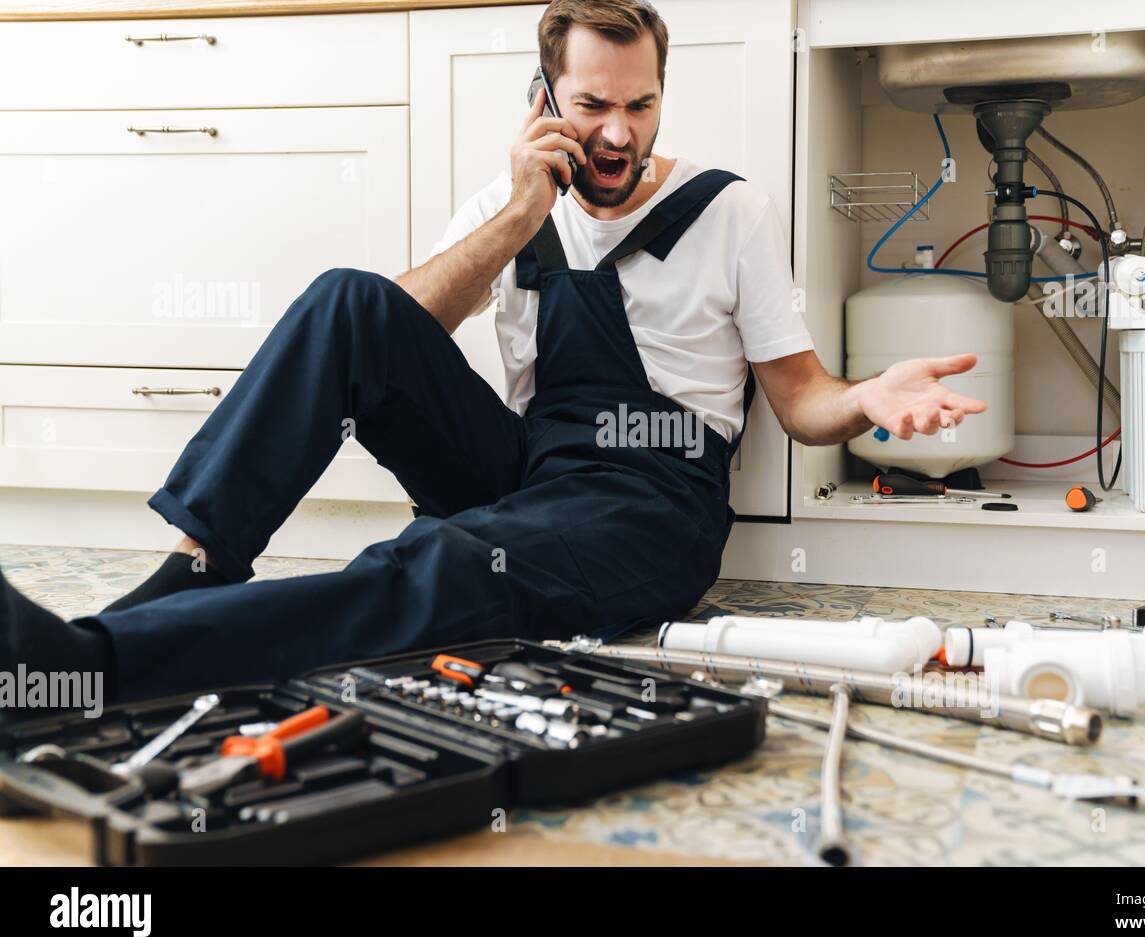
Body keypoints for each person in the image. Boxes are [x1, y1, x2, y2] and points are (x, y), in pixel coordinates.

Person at [0, 0, 984, 710]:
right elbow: (392, 327)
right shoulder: (513, 207)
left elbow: (804, 400)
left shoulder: (731, 210)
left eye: (640, 107)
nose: (616, 133)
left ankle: (91, 667)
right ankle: (198, 566)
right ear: (544, 94)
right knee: (349, 299)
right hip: (524, 471)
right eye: (592, 104)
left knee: (438, 563)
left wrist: (870, 401)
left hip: (649, 504)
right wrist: (521, 215)